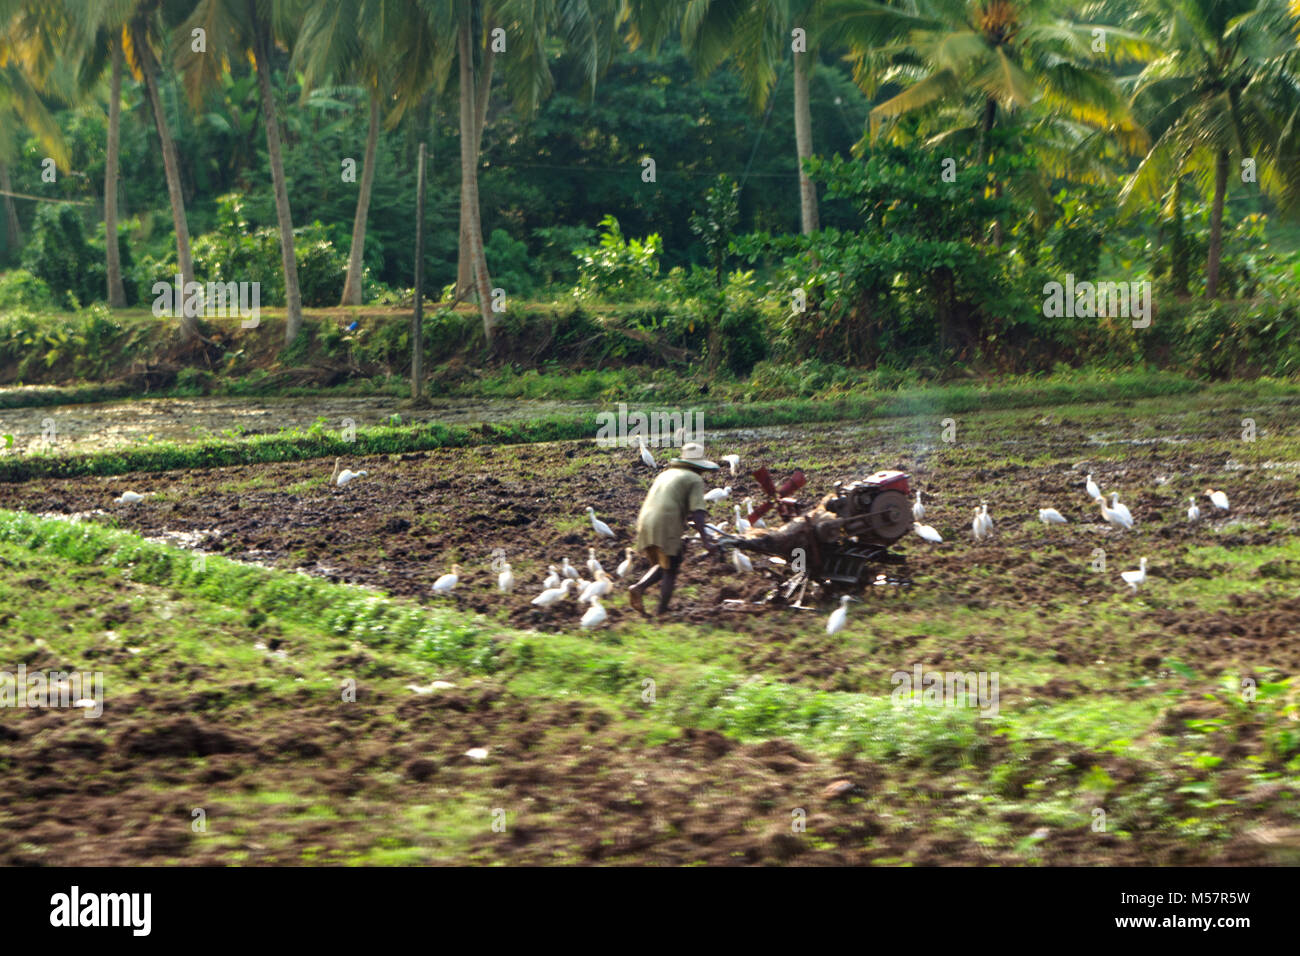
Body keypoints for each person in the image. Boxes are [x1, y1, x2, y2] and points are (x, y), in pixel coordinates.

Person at [628, 442, 719, 616]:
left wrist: (688, 522)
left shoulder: (667, 474)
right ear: (699, 467)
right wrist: (707, 541)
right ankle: (660, 611)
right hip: (665, 523)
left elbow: (671, 502)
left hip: (645, 520)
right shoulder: (695, 479)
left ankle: (641, 590)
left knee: (664, 565)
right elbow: (698, 514)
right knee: (671, 568)